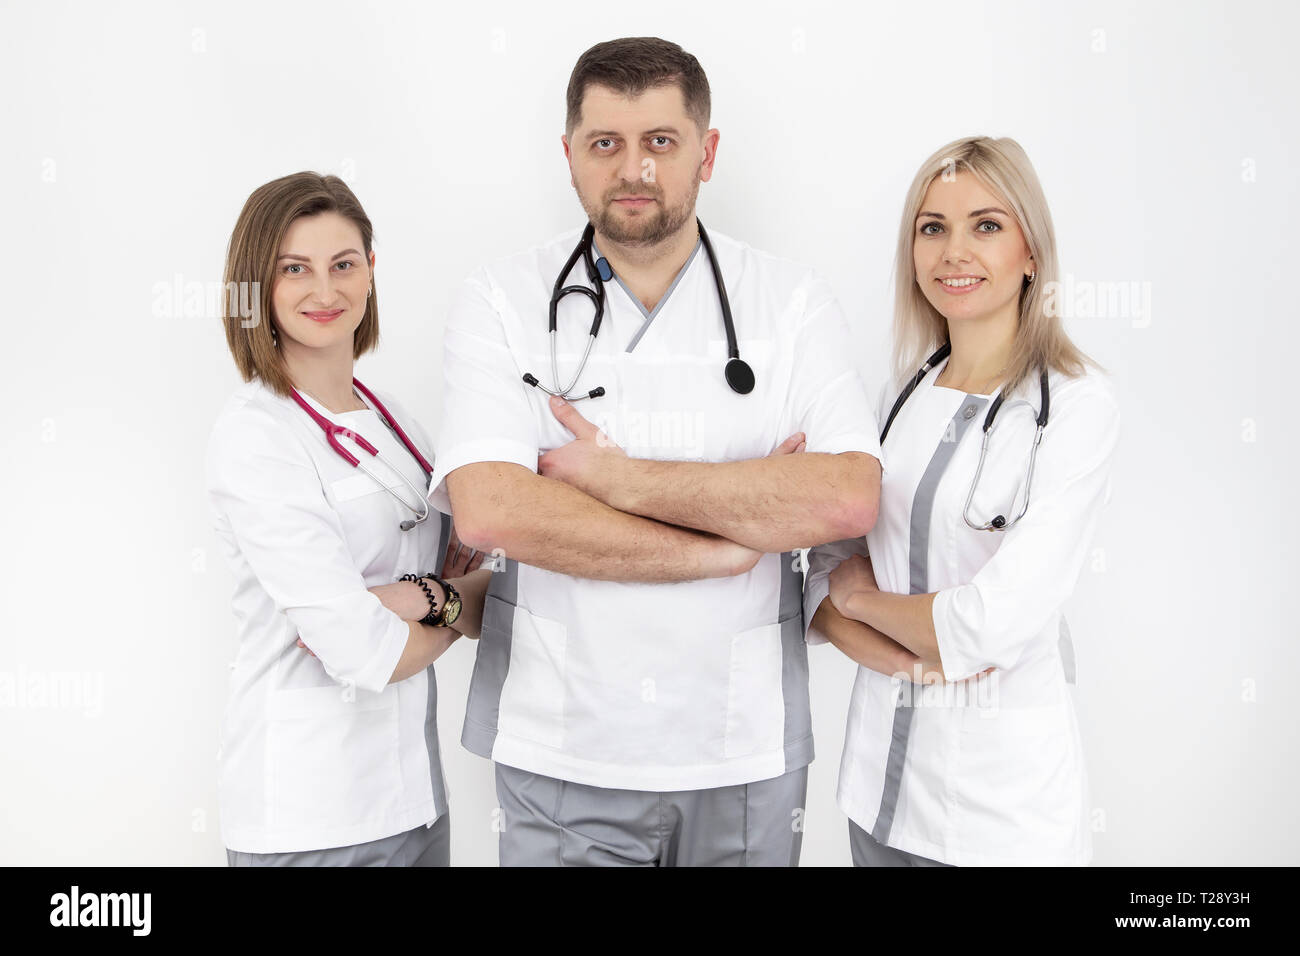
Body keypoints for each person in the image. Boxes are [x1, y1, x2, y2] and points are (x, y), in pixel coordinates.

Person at [429, 37, 882, 867]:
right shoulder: (501, 299)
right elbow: (493, 508)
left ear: (707, 153)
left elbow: (846, 497)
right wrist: (728, 543)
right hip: (562, 749)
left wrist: (618, 481)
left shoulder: (791, 303)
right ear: (569, 156)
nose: (633, 169)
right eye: (606, 143)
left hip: (742, 748)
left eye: (660, 142)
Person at [804, 136, 1121, 866]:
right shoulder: (898, 396)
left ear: (1031, 252)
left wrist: (864, 603)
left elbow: (988, 624)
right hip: (877, 795)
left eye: (985, 225)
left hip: (998, 816)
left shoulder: (1077, 409)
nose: (954, 252)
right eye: (932, 227)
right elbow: (822, 575)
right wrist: (914, 655)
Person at [207, 171, 491, 866]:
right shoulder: (256, 436)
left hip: (415, 799)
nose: (325, 291)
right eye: (294, 270)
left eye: (344, 265)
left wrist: (420, 602)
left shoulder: (397, 421)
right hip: (308, 817)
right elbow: (364, 651)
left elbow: (497, 570)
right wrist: (447, 599)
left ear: (371, 273)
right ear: (257, 287)